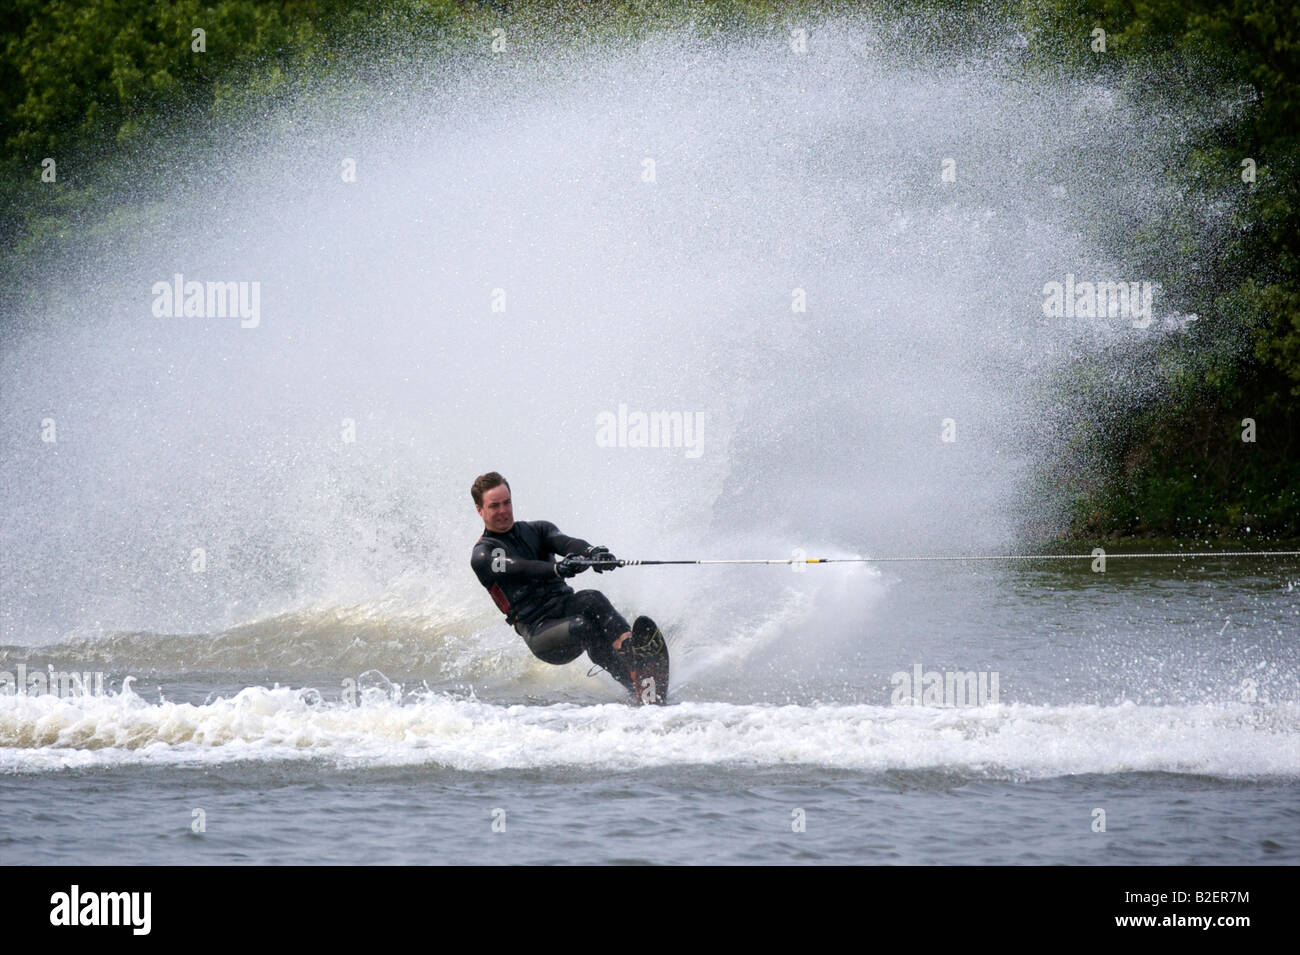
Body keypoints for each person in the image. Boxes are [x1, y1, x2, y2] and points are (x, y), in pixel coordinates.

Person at [469, 471, 641, 695]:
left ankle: (636, 659)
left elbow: (567, 543)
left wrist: (592, 553)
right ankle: (633, 684)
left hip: (564, 607)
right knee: (583, 626)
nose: (503, 511)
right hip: (541, 632)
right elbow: (519, 567)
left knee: (592, 598)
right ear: (479, 509)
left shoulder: (538, 530)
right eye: (494, 506)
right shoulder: (484, 555)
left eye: (507, 502)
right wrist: (557, 569)